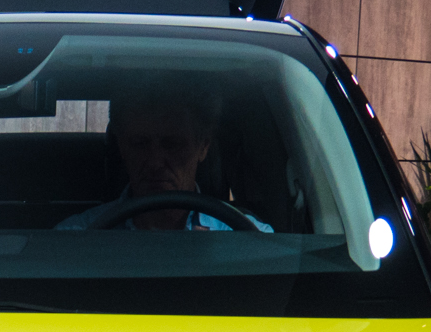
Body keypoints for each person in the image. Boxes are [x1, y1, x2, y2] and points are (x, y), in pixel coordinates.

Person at [57, 90, 272, 232]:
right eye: (140, 144)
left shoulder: (247, 236)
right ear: (121, 147)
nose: (155, 162)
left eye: (172, 144)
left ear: (203, 146)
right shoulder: (77, 237)